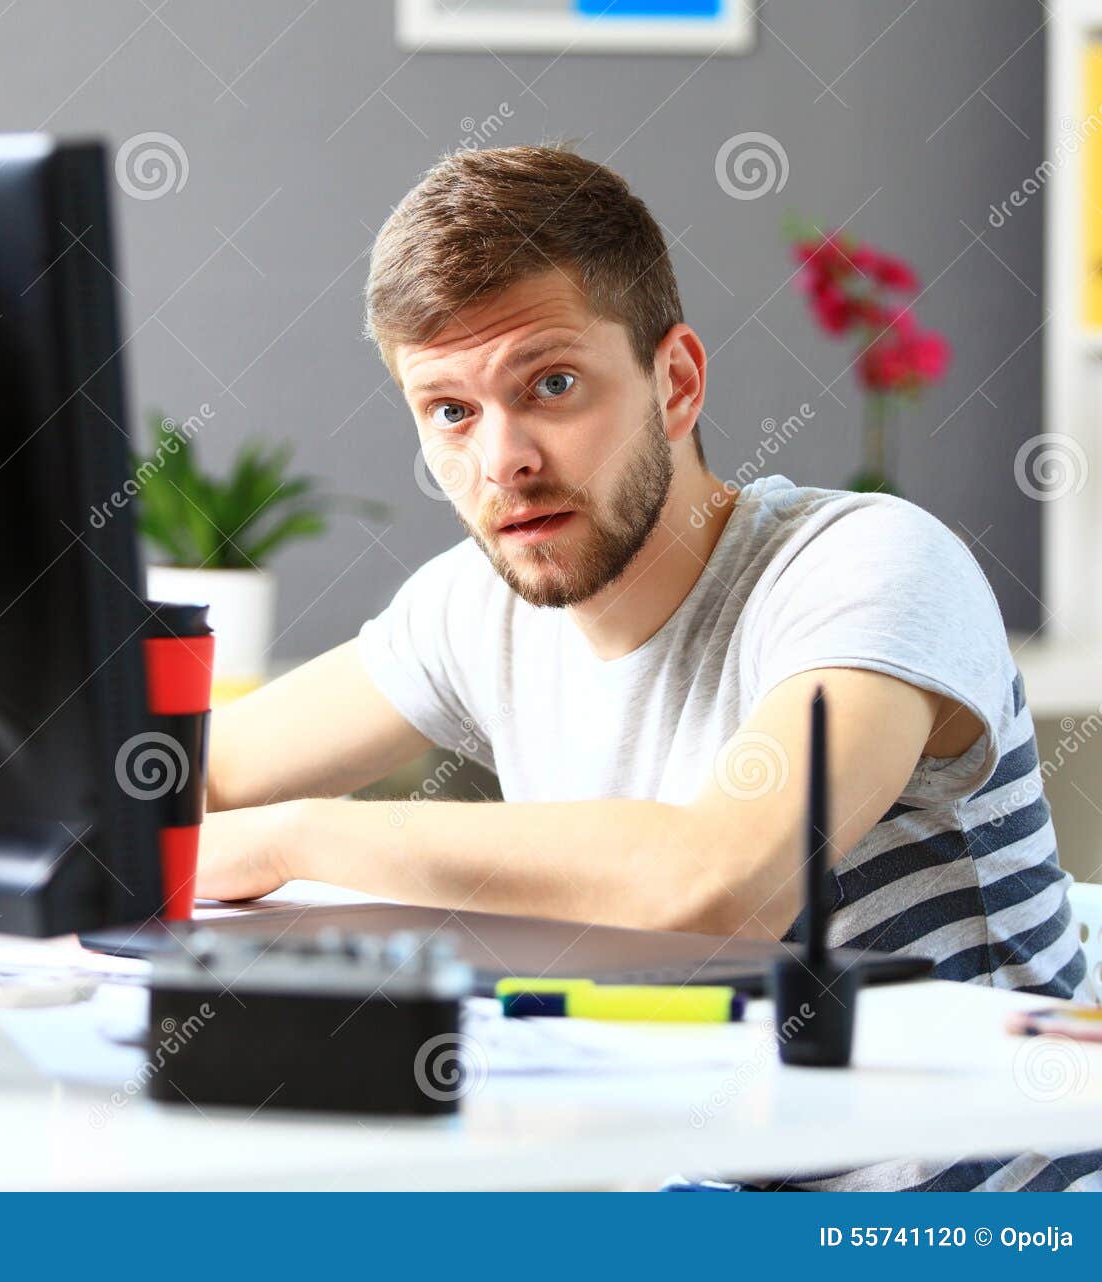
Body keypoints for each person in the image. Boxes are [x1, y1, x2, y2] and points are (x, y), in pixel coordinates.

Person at [196, 144, 1097, 1191]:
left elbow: (718, 888)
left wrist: (297, 836)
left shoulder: (870, 564)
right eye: (450, 411)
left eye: (553, 383)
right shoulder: (475, 605)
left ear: (674, 381)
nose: (503, 462)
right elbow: (180, 779)